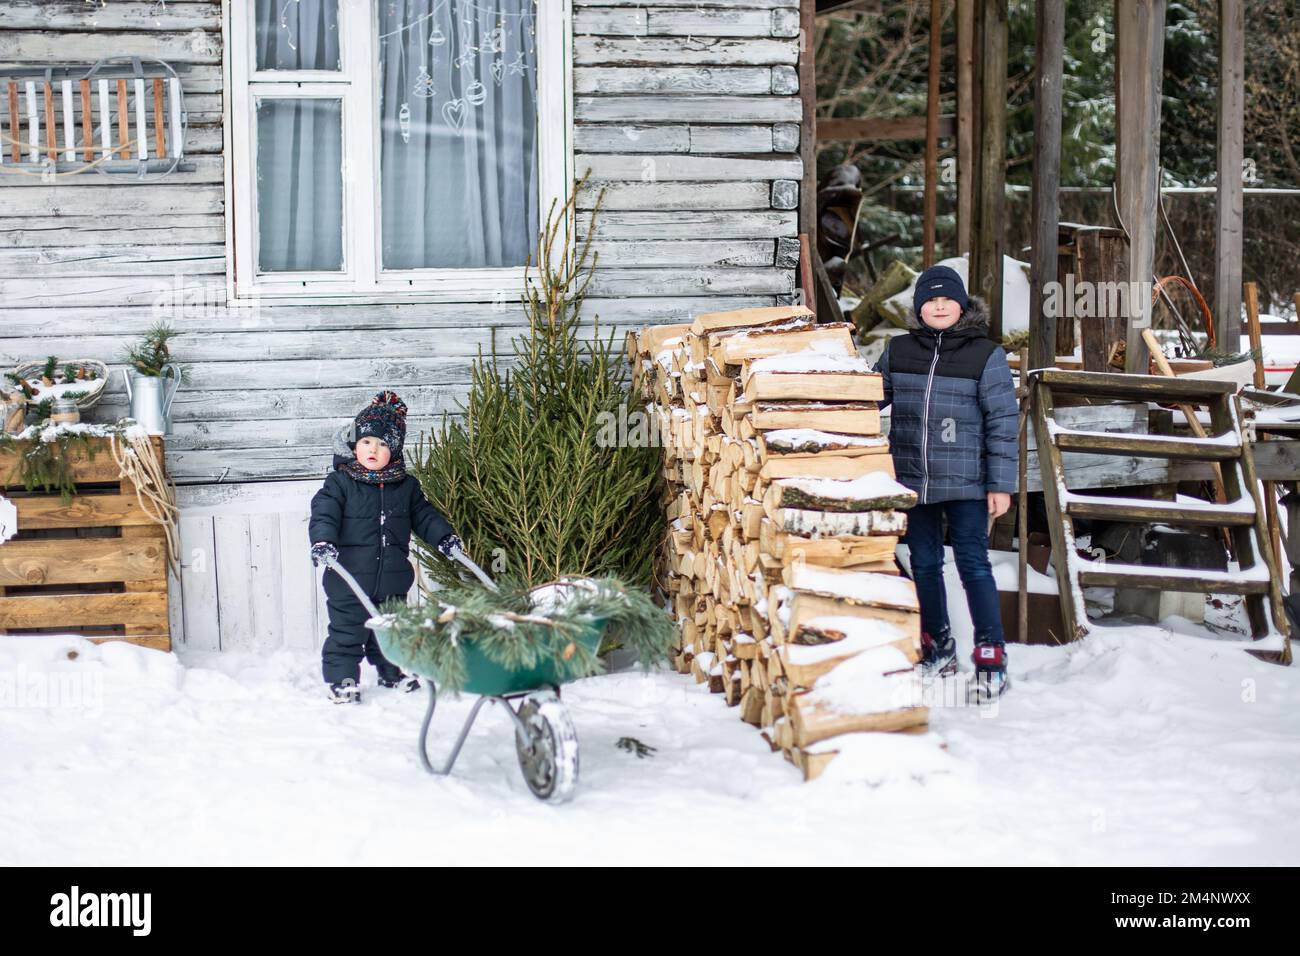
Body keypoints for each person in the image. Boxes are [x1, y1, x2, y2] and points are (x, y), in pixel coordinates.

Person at [873, 265, 1018, 699]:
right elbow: (867, 396)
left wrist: (1000, 484)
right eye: (930, 299)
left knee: (974, 564)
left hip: (969, 484)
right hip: (913, 480)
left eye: (947, 299)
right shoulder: (898, 351)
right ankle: (937, 644)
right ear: (919, 308)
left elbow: (1003, 422)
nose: (939, 305)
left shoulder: (985, 355)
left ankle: (991, 651)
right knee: (924, 563)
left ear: (962, 306)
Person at [307, 390, 460, 703]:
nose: (373, 449)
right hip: (348, 579)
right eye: (366, 442)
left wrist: (444, 537)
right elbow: (323, 512)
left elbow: (425, 517)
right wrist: (323, 541)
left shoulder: (405, 486)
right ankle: (343, 679)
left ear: (395, 450)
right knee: (348, 633)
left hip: (392, 578)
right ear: (354, 445)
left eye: (382, 444)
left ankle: (393, 673)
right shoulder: (340, 483)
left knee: (391, 631)